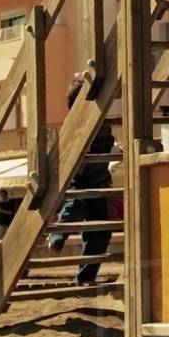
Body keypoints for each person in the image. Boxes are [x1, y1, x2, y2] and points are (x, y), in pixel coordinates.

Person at [48, 74, 115, 285]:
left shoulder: (102, 118)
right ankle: (57, 239)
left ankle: (86, 277)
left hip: (100, 183)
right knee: (74, 209)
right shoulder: (75, 124)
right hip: (81, 180)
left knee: (101, 233)